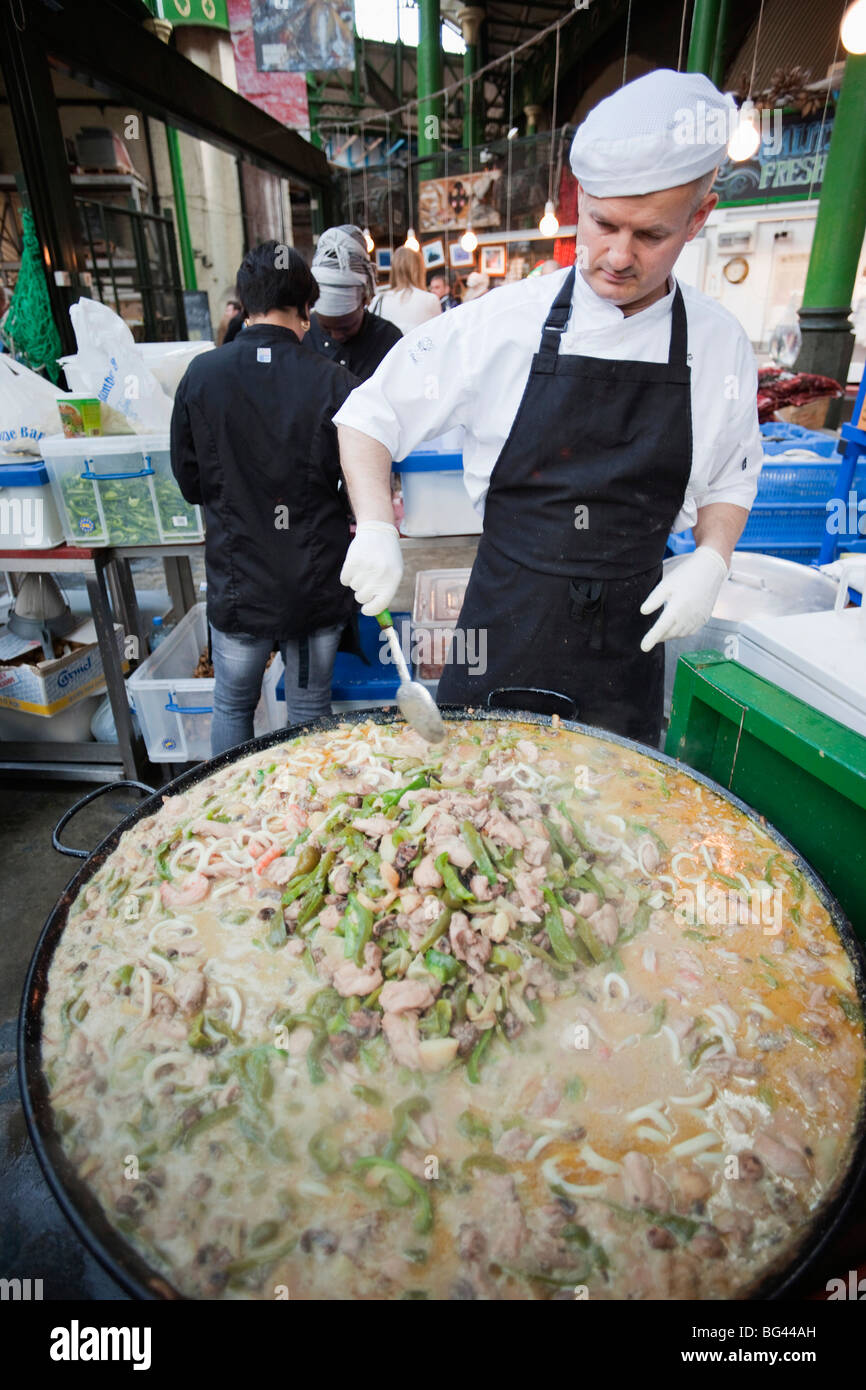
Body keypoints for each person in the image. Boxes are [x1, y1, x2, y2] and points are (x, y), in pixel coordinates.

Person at [334, 70, 763, 747]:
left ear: (699, 217)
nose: (618, 256)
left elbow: (733, 475)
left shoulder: (718, 345)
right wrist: (373, 525)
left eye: (650, 235)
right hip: (503, 623)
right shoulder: (502, 322)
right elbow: (368, 417)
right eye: (602, 224)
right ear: (581, 202)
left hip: (629, 640)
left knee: (606, 829)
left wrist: (713, 556)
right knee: (474, 810)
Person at [170, 241, 358, 755]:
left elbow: (189, 482)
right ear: (304, 306)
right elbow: (358, 482)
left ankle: (234, 822)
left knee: (232, 703)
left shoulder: (201, 376)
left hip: (239, 578)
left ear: (246, 302)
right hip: (315, 578)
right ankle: (307, 819)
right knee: (309, 703)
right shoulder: (334, 381)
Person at [305, 224, 402, 381]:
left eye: (346, 328)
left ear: (365, 300)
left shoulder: (388, 340)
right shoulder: (304, 337)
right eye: (326, 329)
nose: (336, 336)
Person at [371, 246, 441, 332]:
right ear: (419, 270)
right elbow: (437, 336)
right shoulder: (431, 300)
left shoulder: (378, 300)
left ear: (393, 269)